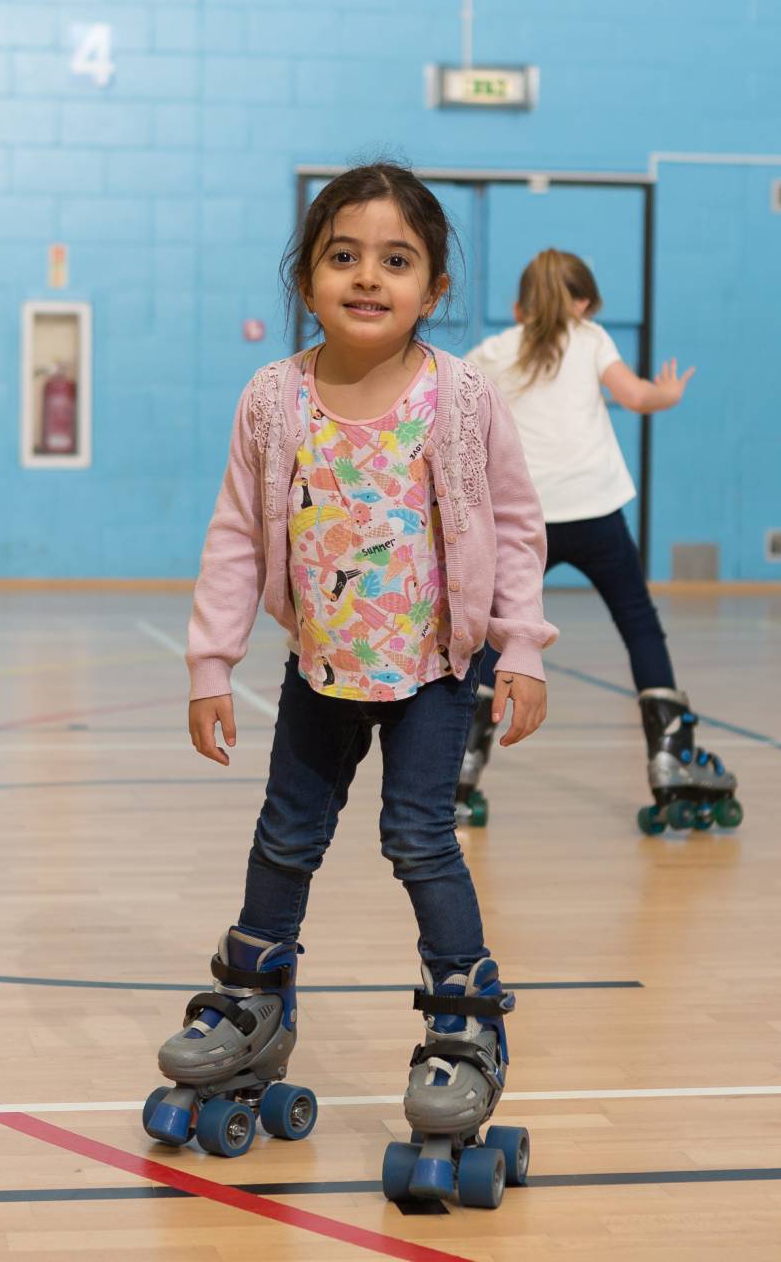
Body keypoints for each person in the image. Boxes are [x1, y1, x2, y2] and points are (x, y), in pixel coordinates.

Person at [141, 163, 554, 1209]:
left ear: (434, 283)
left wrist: (524, 646)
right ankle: (254, 1004)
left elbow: (512, 525)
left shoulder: (459, 399)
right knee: (286, 833)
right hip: (320, 669)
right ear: (308, 274)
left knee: (419, 836)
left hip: (431, 672)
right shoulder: (275, 398)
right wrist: (209, 660)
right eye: (343, 255)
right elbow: (238, 532)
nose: (368, 276)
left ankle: (466, 1021)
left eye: (396, 260)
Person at [460, 249, 742, 836]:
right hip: (595, 512)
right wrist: (667, 393)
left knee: (494, 634)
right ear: (584, 303)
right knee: (638, 622)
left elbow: (448, 406)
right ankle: (670, 759)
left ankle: (460, 766)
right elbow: (638, 398)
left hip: (525, 521)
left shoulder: (492, 353)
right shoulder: (590, 340)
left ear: (517, 307)